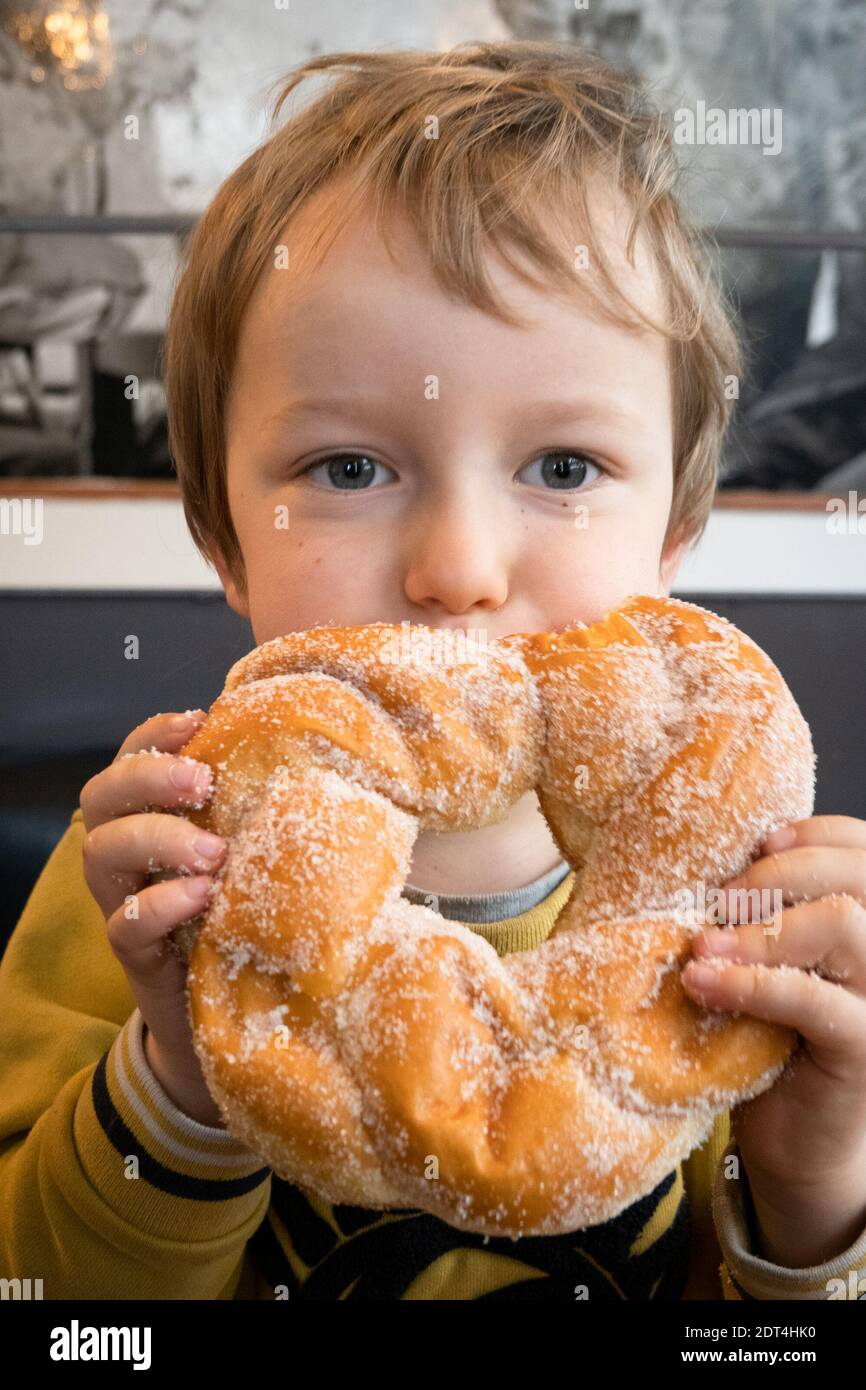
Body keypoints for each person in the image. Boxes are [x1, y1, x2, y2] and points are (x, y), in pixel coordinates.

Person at [2, 40, 865, 1301]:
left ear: (673, 537)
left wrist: (808, 1198)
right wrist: (177, 1085)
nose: (456, 567)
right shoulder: (142, 889)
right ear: (224, 541)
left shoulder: (743, 926)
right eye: (349, 469)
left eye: (561, 468)